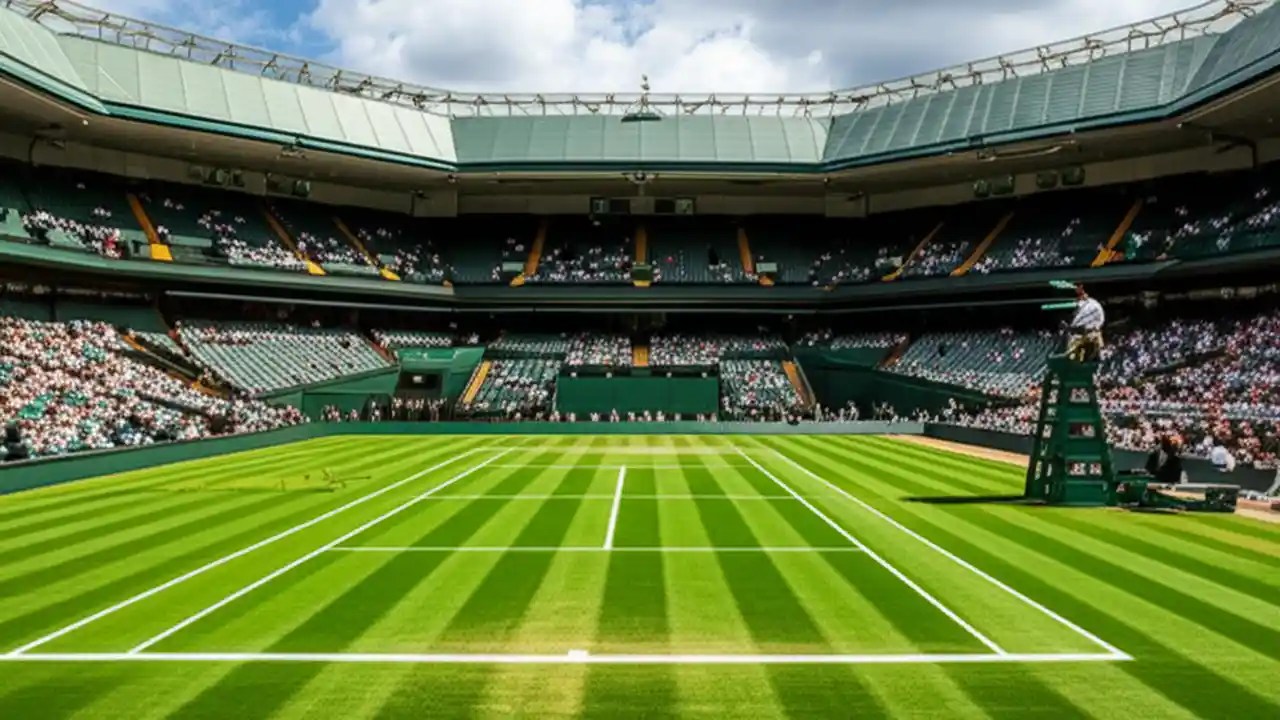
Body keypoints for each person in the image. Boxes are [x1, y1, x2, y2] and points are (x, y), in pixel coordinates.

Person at [1067, 284, 1105, 362]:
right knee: (1073, 353)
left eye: (1081, 292)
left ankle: (1098, 358)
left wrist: (1093, 330)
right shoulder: (1076, 306)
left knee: (1094, 340)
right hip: (1077, 335)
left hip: (1091, 333)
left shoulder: (1094, 305)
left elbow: (1100, 320)